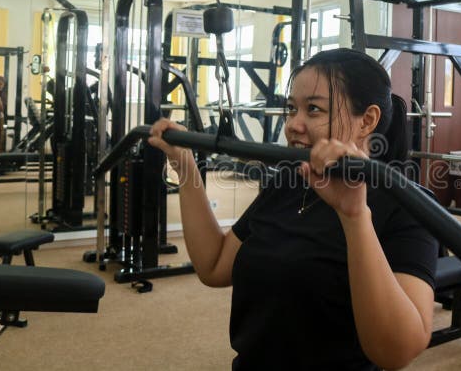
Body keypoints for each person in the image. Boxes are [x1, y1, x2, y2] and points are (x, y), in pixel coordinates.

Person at [149, 48, 438, 370]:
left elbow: (397, 352)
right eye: (291, 109)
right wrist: (183, 162)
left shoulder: (408, 204)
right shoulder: (289, 181)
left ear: (367, 120)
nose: (293, 125)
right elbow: (215, 267)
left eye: (313, 110)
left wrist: (354, 217)